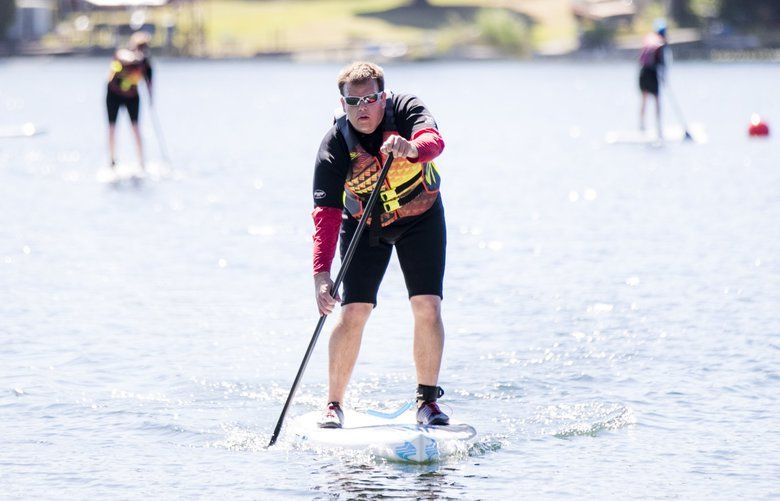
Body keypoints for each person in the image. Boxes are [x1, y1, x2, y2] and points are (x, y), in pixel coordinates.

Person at [311, 62, 449, 429]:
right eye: (353, 101)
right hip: (364, 225)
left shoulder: (406, 109)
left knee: (427, 306)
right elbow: (325, 214)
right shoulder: (335, 145)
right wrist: (321, 276)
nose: (362, 108)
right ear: (342, 105)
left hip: (421, 218)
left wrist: (412, 147)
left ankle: (427, 402)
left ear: (383, 97)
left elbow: (435, 141)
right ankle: (333, 404)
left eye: (370, 99)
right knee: (354, 311)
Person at [106, 31, 153, 171]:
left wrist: (151, 99)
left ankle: (141, 161)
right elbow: (122, 56)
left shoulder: (145, 63)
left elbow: (150, 82)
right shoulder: (123, 53)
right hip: (113, 94)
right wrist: (137, 57)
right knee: (112, 127)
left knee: (135, 127)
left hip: (132, 97)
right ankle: (112, 160)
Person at [638, 21, 668, 138]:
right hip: (652, 73)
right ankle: (659, 127)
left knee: (644, 99)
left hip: (643, 72)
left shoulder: (649, 39)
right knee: (656, 100)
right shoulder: (661, 43)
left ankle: (641, 125)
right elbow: (662, 63)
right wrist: (664, 78)